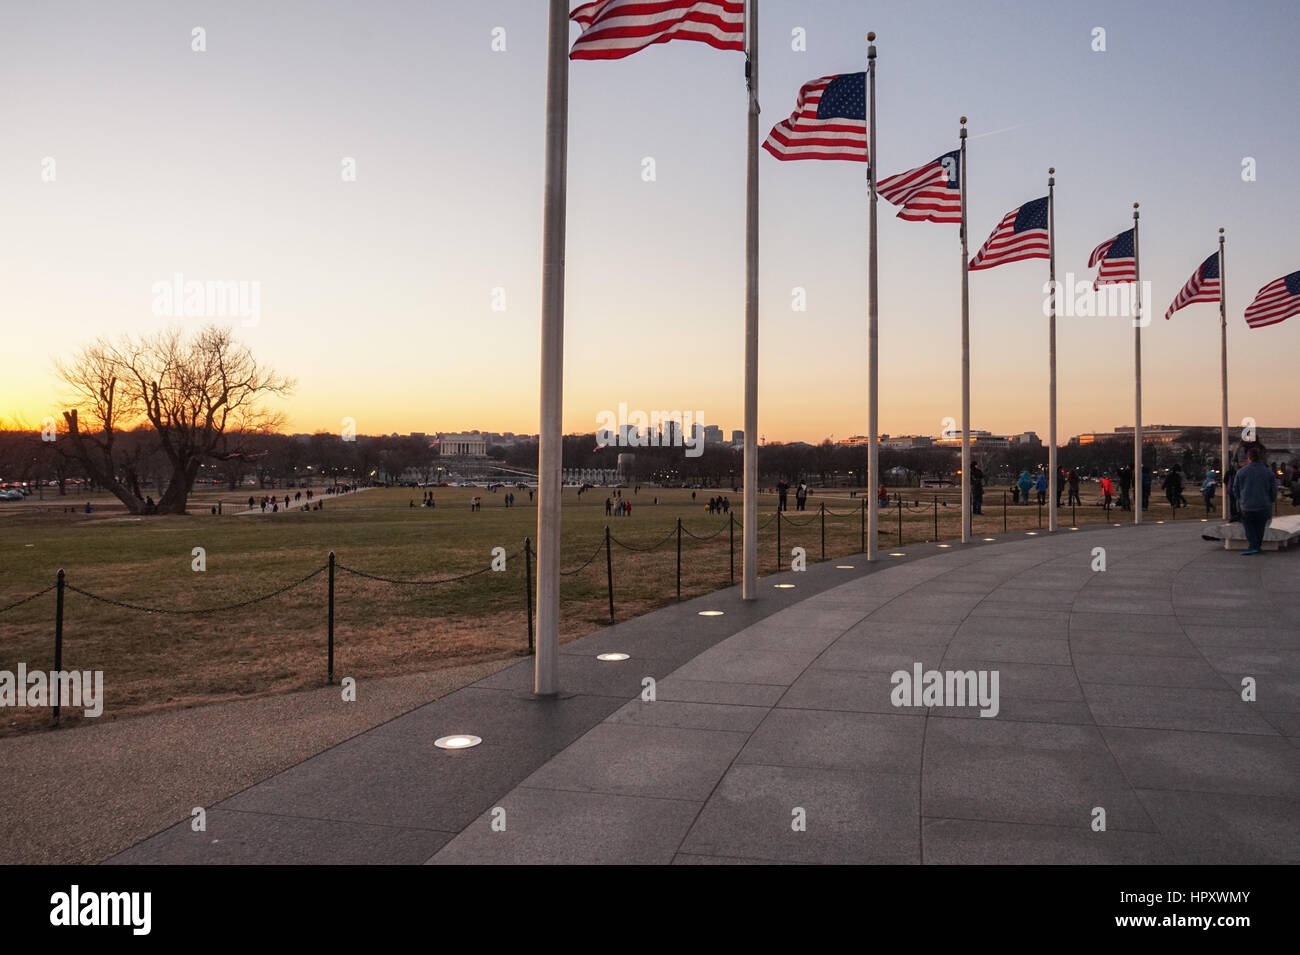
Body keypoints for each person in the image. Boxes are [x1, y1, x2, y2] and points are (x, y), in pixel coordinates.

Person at [1233, 446, 1277, 555]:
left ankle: (1253, 546)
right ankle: (1257, 546)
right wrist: (1271, 500)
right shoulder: (1268, 472)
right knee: (1260, 527)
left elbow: (1236, 489)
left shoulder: (1241, 472)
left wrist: (1240, 500)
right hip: (1263, 504)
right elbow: (1273, 490)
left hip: (1247, 505)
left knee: (1249, 526)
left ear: (1249, 458)